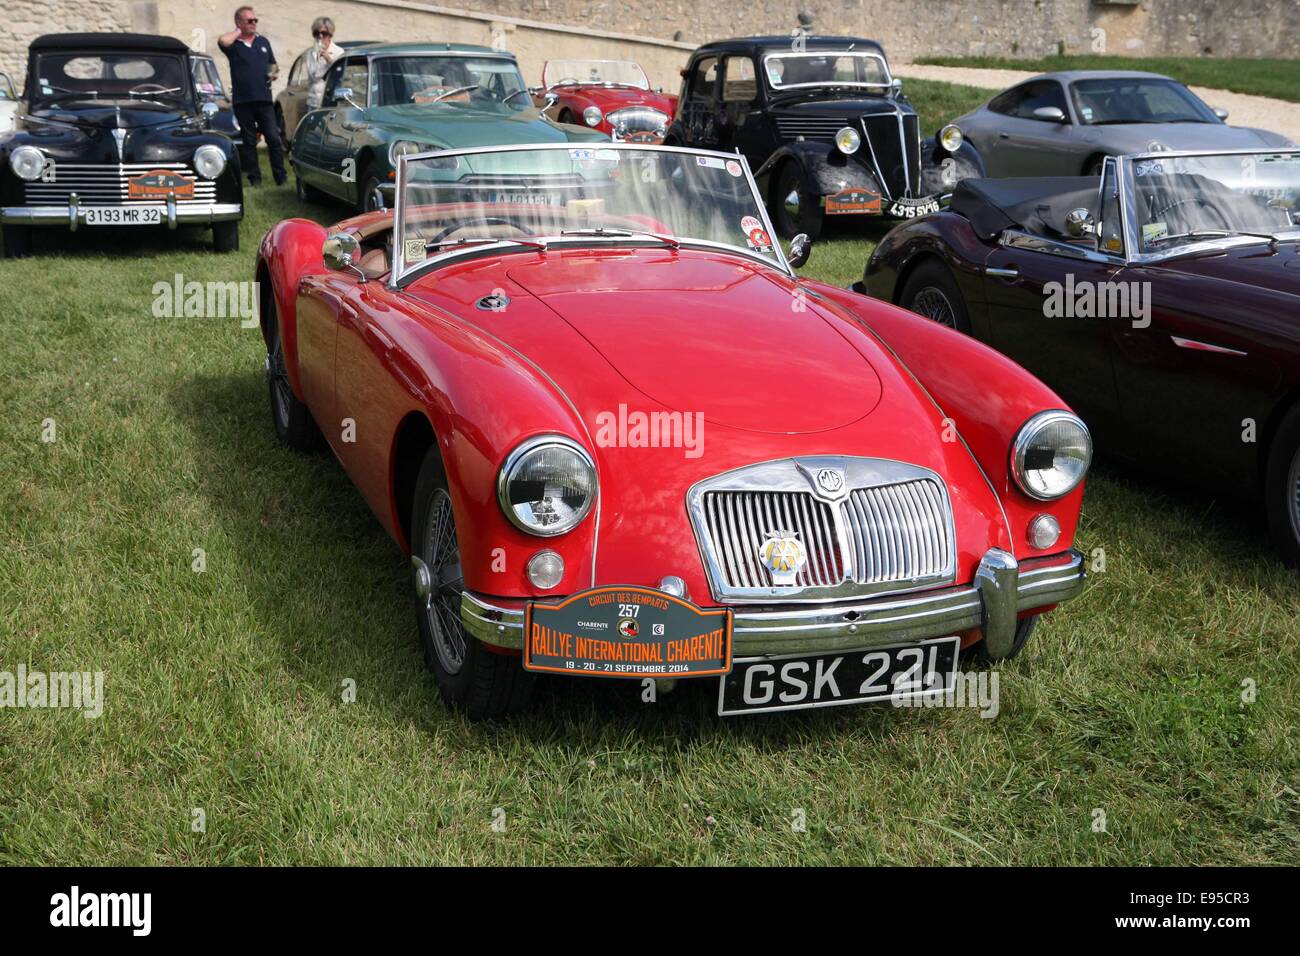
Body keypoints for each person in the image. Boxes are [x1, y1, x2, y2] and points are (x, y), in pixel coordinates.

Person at [218, 6, 286, 186]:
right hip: (243, 101)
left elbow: (273, 65)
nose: (254, 23)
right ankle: (255, 179)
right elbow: (222, 41)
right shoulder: (233, 46)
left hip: (264, 99)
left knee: (273, 138)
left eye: (255, 20)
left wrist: (273, 73)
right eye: (250, 20)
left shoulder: (263, 42)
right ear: (239, 23)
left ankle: (281, 177)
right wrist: (238, 31)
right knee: (249, 141)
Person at [305, 17, 343, 111]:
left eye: (324, 33)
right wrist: (320, 57)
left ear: (330, 34)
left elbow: (340, 74)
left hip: (331, 102)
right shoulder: (310, 53)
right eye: (317, 33)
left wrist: (329, 59)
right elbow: (314, 76)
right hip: (314, 101)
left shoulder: (338, 51)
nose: (320, 36)